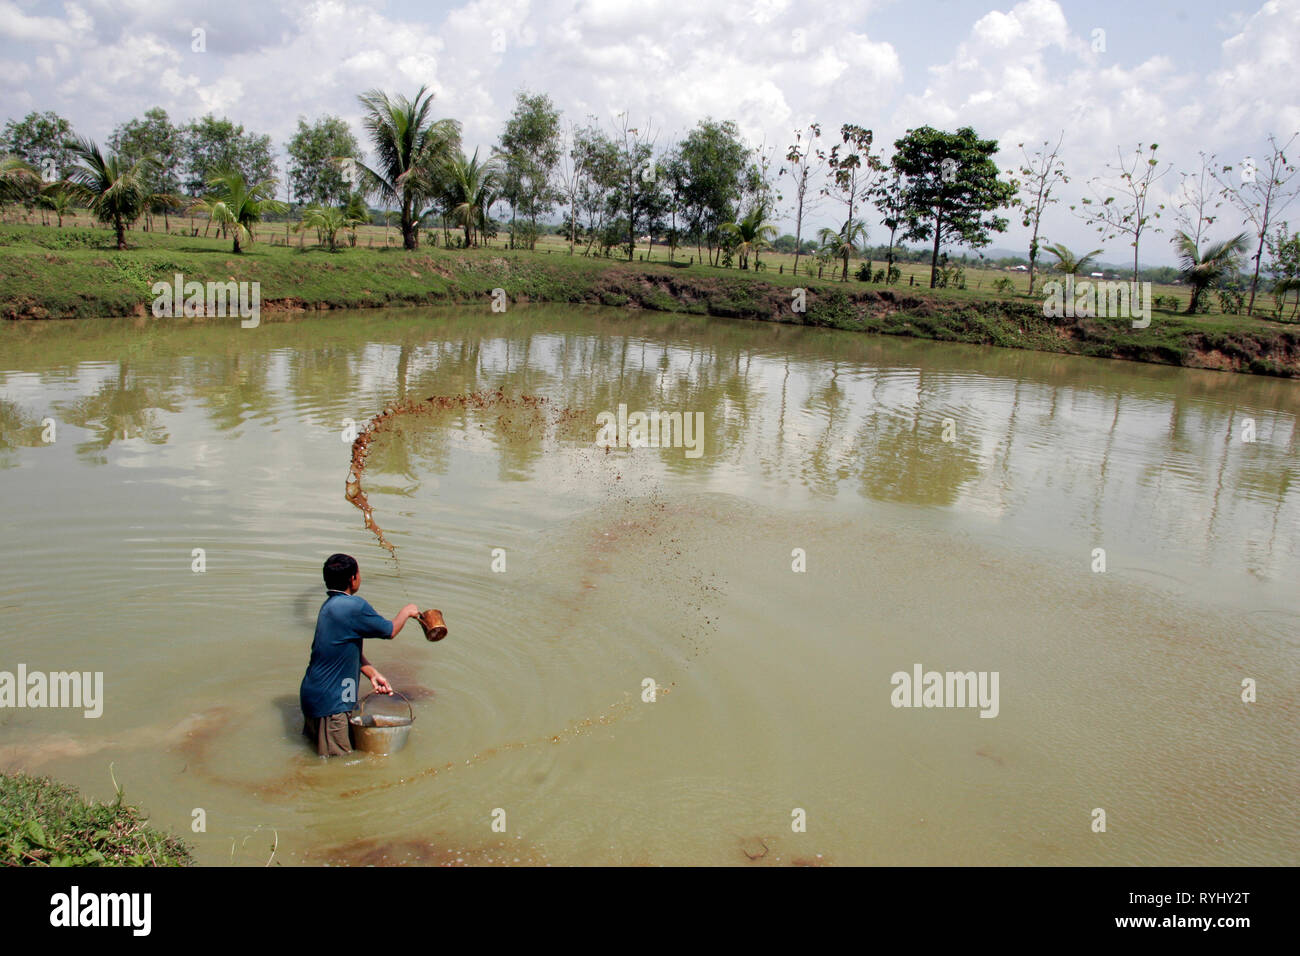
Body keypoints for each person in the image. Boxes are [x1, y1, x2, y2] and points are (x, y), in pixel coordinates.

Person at [299, 553, 419, 756]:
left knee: (317, 752)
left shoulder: (329, 606)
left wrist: (372, 673)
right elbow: (390, 630)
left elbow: (342, 649)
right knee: (338, 766)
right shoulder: (354, 606)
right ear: (353, 579)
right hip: (332, 704)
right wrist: (406, 612)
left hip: (314, 696)